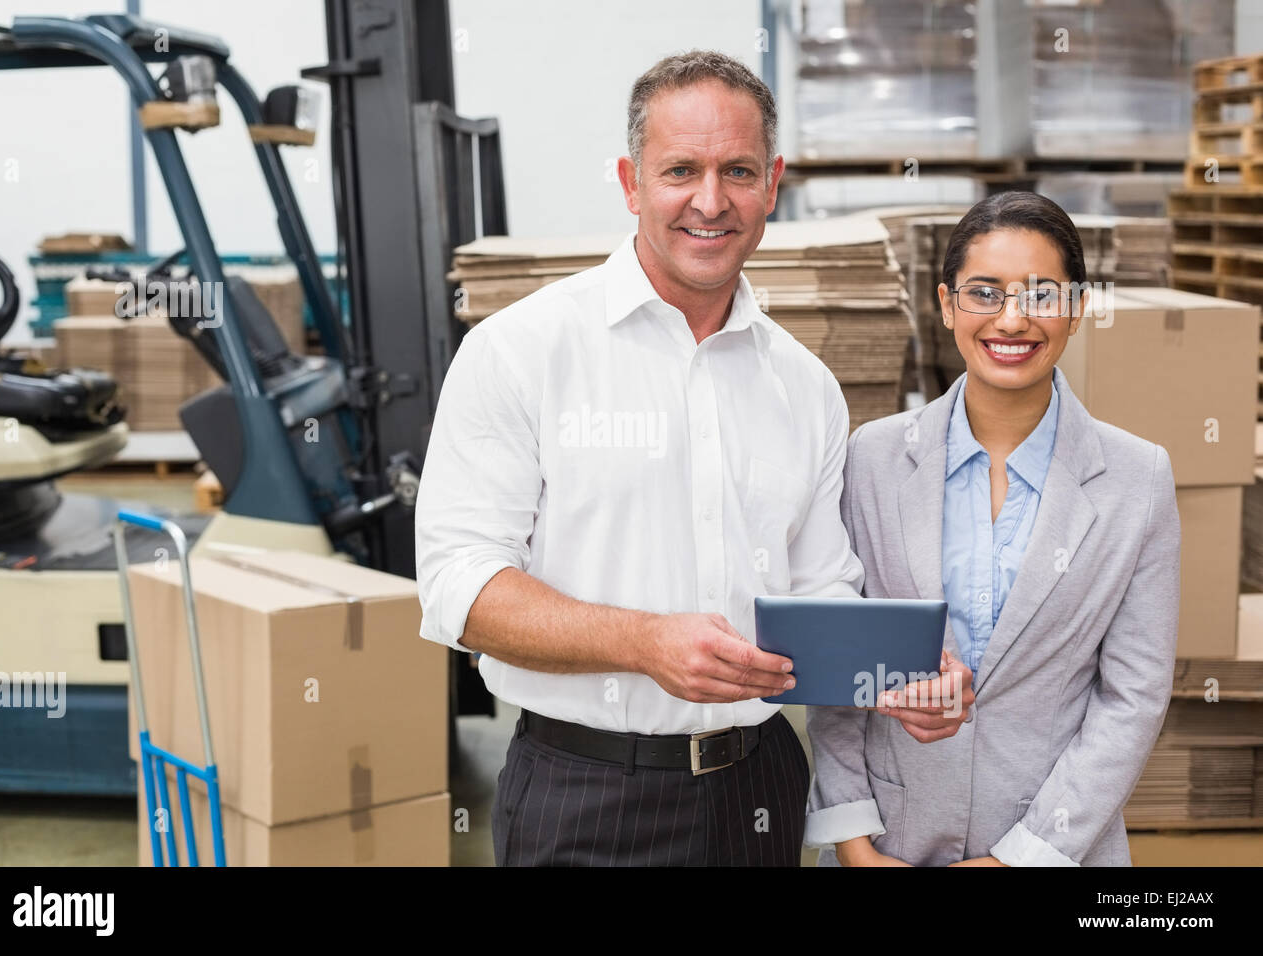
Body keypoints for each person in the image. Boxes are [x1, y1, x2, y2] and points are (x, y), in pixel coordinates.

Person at [415, 49, 972, 867]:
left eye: (738, 171)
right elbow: (458, 588)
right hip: (587, 792)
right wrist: (641, 643)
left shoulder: (804, 386)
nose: (710, 202)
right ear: (631, 181)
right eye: (681, 170)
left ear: (772, 183)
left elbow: (819, 589)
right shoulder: (522, 352)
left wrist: (903, 676)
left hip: (760, 790)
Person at [805, 191, 1181, 866]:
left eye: (1042, 294)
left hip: (1059, 846)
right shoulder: (873, 457)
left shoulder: (1137, 478)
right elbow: (840, 668)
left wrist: (1025, 856)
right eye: (985, 292)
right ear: (946, 305)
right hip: (892, 843)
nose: (1012, 318)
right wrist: (853, 839)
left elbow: (1133, 698)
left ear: (1077, 308)